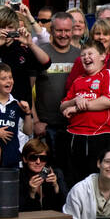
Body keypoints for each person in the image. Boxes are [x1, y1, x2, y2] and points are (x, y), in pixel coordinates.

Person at [59, 40, 110, 186]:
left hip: (99, 136)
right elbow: (62, 106)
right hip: (74, 136)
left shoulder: (108, 74)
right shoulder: (78, 80)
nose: (86, 57)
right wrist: (75, 100)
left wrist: (77, 108)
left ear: (102, 56)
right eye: (83, 55)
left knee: (98, 182)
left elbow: (108, 100)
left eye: (90, 53)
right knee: (74, 182)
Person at [32, 12, 80, 167]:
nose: (63, 34)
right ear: (51, 30)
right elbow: (27, 89)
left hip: (73, 125)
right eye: (59, 30)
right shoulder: (40, 54)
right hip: (46, 126)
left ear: (73, 31)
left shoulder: (80, 55)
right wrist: (36, 120)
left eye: (67, 30)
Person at [0, 5, 50, 101]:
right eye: (2, 27)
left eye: (10, 27)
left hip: (21, 108)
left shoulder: (22, 48)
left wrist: (31, 44)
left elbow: (46, 63)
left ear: (16, 29)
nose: (6, 31)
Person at [18, 138, 67, 213]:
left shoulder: (55, 174)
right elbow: (19, 211)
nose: (38, 162)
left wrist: (56, 187)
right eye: (33, 158)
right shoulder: (18, 177)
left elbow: (65, 208)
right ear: (25, 159)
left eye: (43, 158)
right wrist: (32, 194)